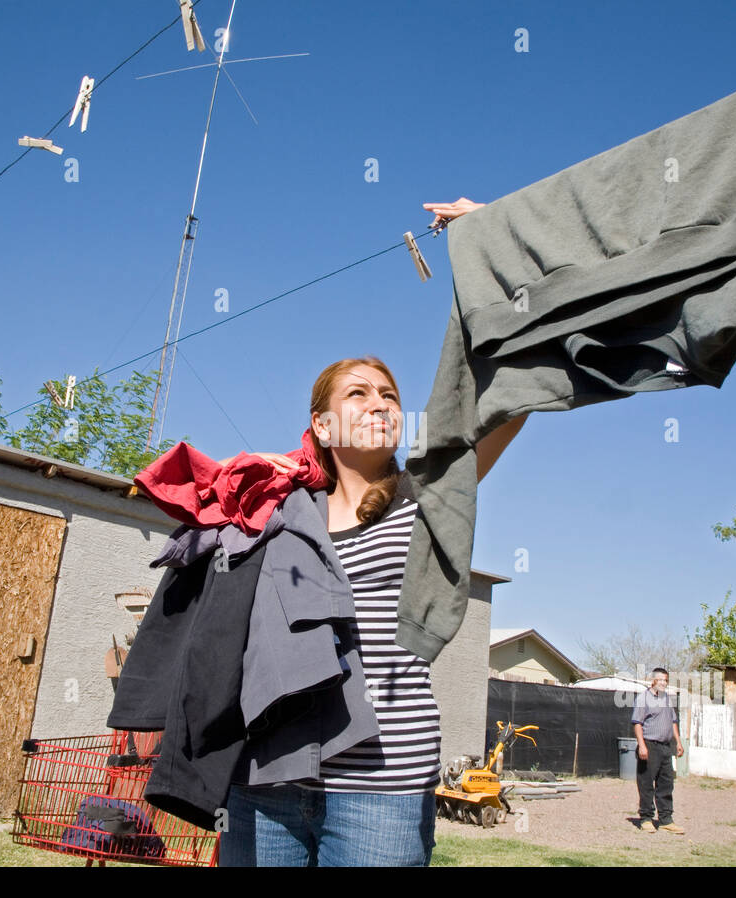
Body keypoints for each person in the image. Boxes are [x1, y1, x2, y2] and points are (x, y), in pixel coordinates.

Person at [218, 354, 525, 866]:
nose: (379, 403)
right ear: (321, 423)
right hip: (267, 772)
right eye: (358, 393)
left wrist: (538, 329)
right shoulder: (282, 512)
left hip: (381, 785)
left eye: (389, 396)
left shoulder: (420, 498)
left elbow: (509, 411)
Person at [632, 667, 685, 834]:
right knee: (646, 783)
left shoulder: (667, 699)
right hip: (649, 745)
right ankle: (646, 818)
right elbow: (637, 723)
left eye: (666, 680)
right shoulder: (643, 698)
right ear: (653, 680)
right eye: (660, 680)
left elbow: (673, 721)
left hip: (665, 747)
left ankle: (665, 820)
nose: (663, 683)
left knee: (666, 784)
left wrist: (678, 742)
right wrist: (642, 745)